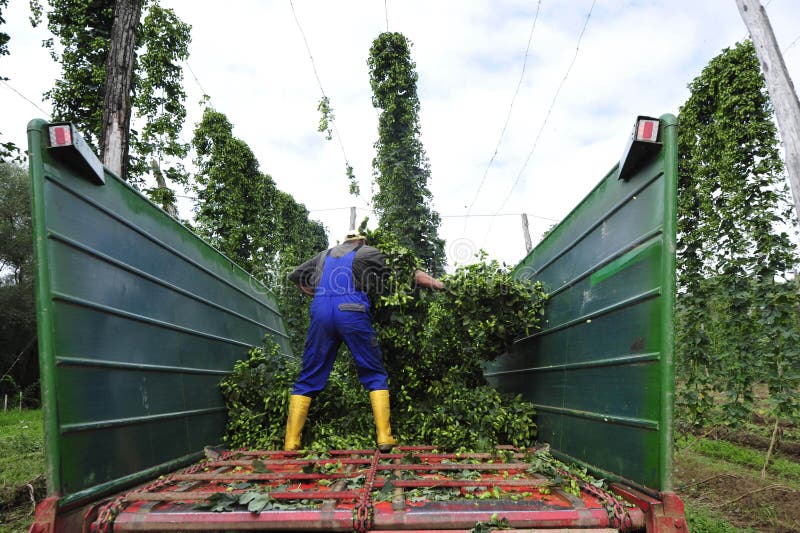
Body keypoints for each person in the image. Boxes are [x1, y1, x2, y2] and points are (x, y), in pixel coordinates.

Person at [284, 232, 443, 451]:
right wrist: (439, 285)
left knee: (309, 373)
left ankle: (291, 442)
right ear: (362, 242)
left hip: (320, 314)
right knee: (373, 370)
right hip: (351, 312)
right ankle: (385, 437)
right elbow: (408, 272)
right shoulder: (366, 252)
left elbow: (295, 276)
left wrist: (317, 294)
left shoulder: (323, 255)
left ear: (344, 241)